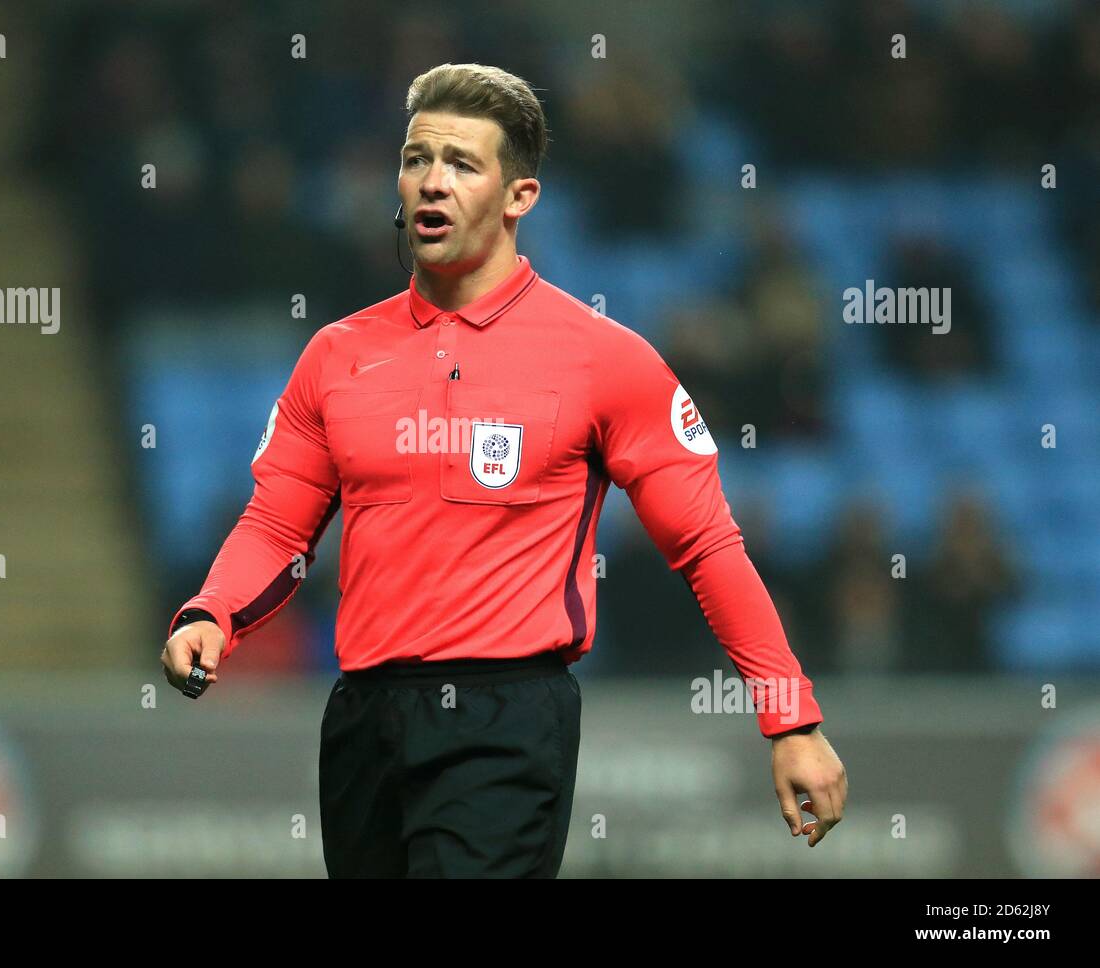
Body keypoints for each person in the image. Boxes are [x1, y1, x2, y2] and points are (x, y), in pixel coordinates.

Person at [161, 63, 847, 877]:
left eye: (461, 163)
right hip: (362, 716)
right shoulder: (337, 355)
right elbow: (279, 522)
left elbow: (706, 545)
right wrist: (213, 611)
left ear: (519, 196)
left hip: (505, 716)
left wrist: (790, 719)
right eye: (417, 158)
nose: (432, 182)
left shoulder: (604, 360)